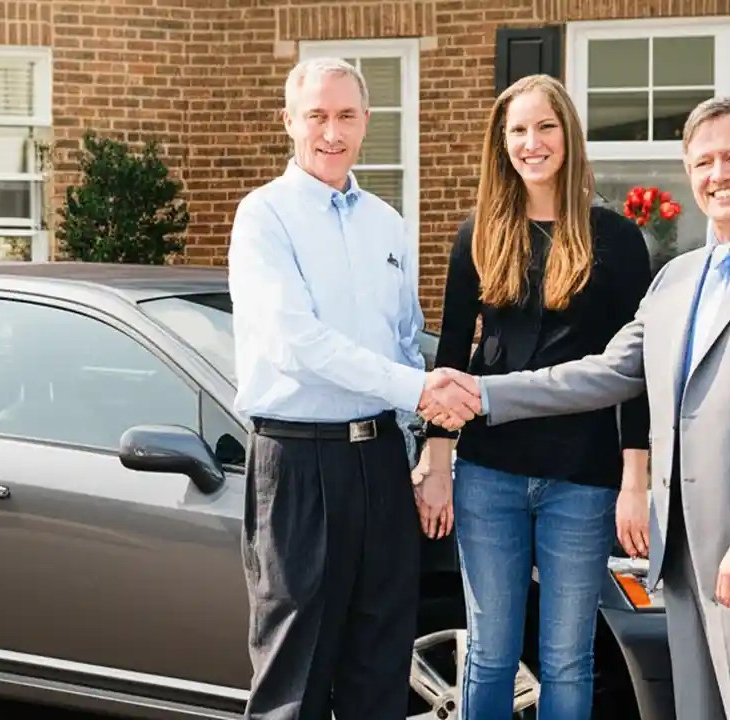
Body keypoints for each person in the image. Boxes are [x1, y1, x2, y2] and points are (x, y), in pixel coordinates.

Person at [432, 96, 730, 720]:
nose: (718, 175)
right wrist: (484, 394)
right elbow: (609, 372)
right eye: (703, 163)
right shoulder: (679, 277)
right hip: (683, 556)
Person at [227, 57, 480, 720]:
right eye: (316, 116)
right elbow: (297, 343)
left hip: (380, 463)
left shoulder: (386, 223)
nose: (332, 132)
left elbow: (403, 340)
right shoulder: (264, 217)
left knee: (381, 669)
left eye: (345, 115)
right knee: (295, 681)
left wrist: (425, 450)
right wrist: (420, 388)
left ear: (368, 121)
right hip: (298, 462)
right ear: (289, 121)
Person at [411, 73, 652, 720]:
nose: (531, 142)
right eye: (517, 130)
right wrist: (438, 460)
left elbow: (638, 371)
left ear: (567, 135)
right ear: (502, 143)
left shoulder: (617, 239)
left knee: (568, 657)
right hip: (489, 472)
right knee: (490, 651)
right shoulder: (479, 235)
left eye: (545, 126)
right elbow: (453, 353)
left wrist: (635, 480)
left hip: (583, 475)